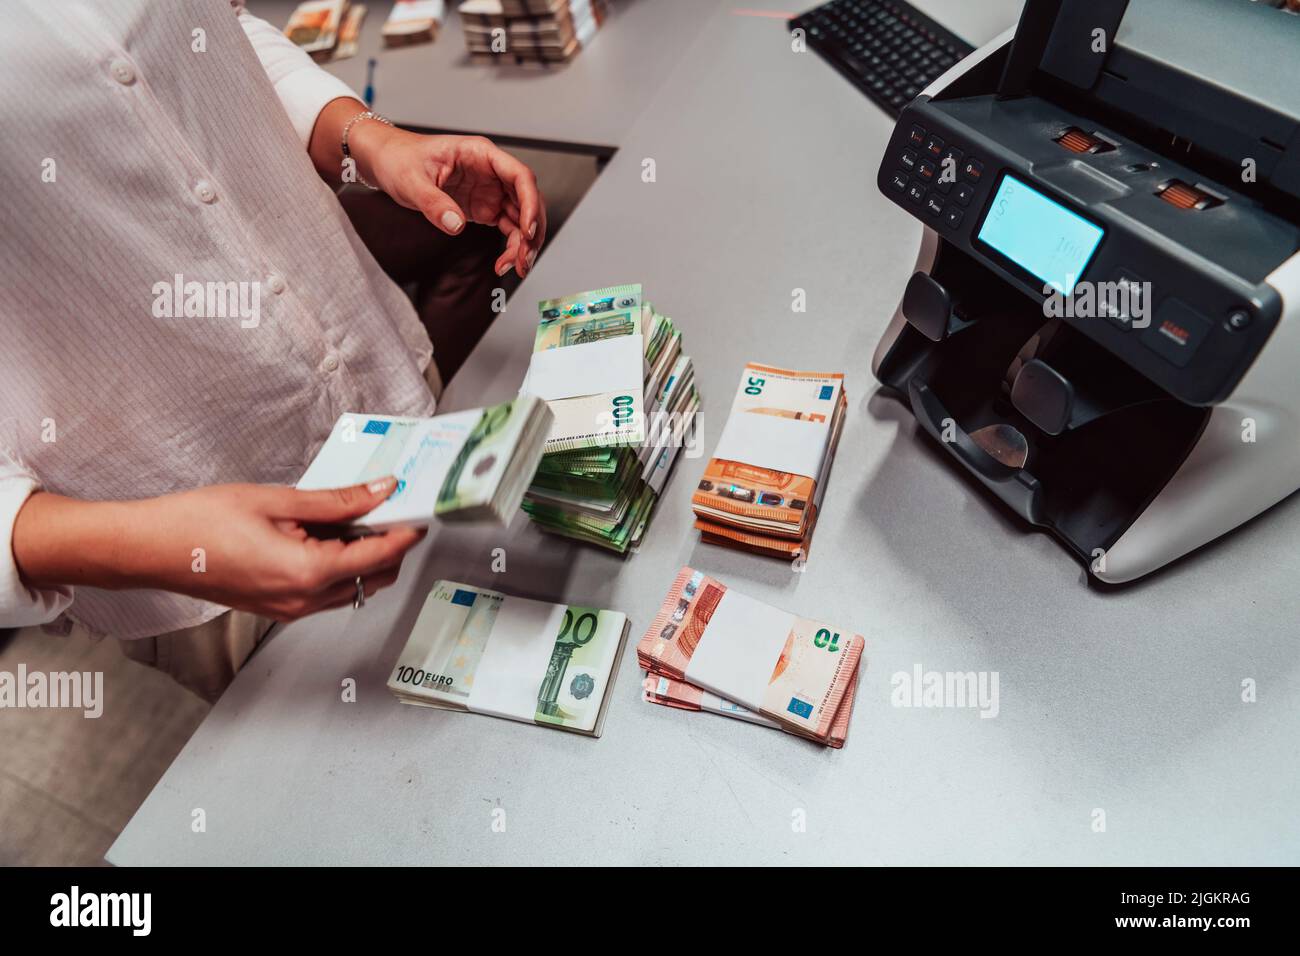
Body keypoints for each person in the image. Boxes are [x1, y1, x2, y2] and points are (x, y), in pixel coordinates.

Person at [0, 0, 548, 700]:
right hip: (197, 536)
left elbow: (216, 41)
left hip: (381, 382)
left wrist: (368, 140)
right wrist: (158, 543)